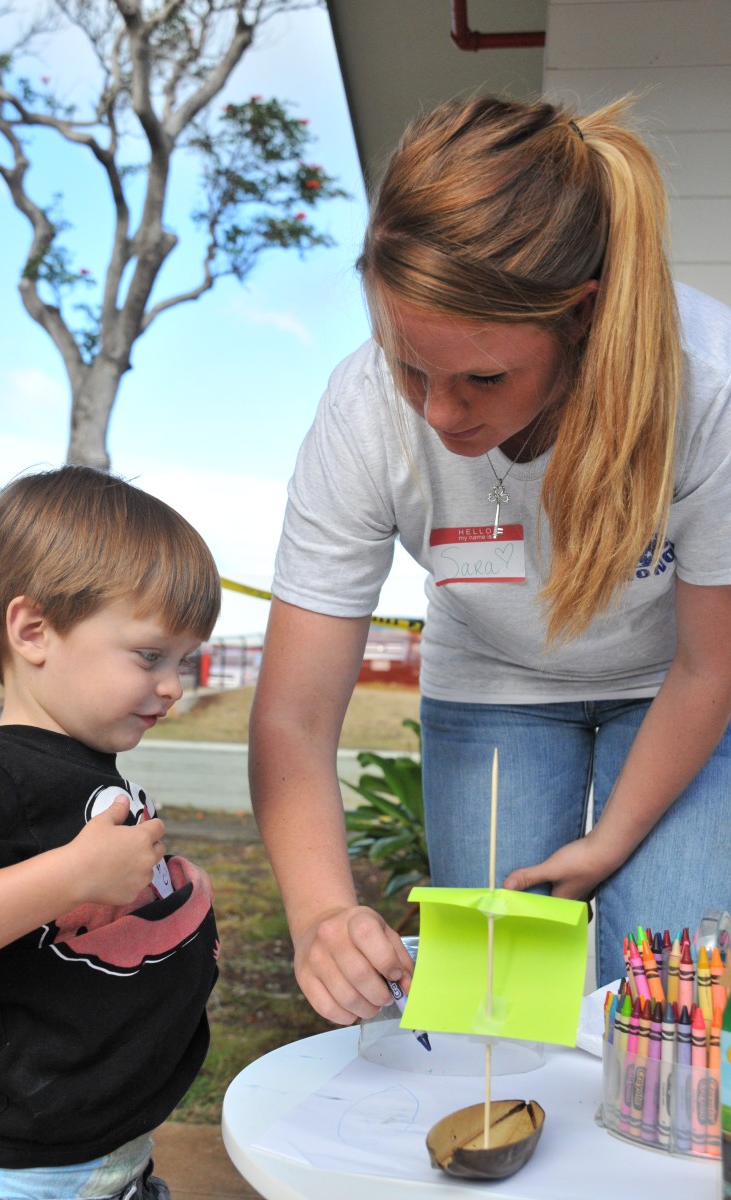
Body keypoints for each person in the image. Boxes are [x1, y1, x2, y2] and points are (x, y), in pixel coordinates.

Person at [248, 94, 731, 1023]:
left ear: (579, 318)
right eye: (407, 364)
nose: (436, 413)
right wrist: (319, 914)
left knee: (666, 1003)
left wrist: (609, 842)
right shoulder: (358, 412)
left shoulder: (705, 391)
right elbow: (295, 718)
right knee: (495, 1011)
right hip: (492, 681)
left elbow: (712, 663)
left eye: (482, 377)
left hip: (677, 685)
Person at [0, 466, 221, 1200]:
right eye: (150, 655)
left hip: (110, 1151)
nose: (173, 685)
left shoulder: (82, 767)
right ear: (33, 631)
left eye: (182, 661)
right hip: (22, 1175)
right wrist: (71, 877)